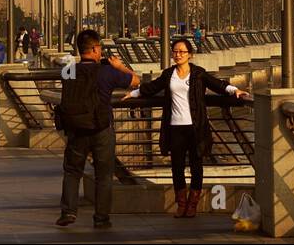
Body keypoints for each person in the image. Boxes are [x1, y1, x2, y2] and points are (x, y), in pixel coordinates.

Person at [122, 37, 249, 217]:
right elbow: (151, 87)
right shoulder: (168, 74)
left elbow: (217, 84)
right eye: (175, 51)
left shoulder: (198, 74)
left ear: (190, 54)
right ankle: (181, 204)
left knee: (197, 166)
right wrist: (133, 94)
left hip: (195, 127)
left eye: (182, 51)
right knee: (177, 167)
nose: (178, 55)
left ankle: (192, 205)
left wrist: (234, 90)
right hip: (175, 127)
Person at [56, 29, 140, 229]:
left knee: (72, 171)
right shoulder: (107, 71)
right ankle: (101, 217)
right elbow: (136, 81)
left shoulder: (68, 70)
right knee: (104, 174)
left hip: (76, 128)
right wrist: (121, 67)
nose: (101, 51)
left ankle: (68, 211)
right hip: (101, 129)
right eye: (99, 47)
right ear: (94, 49)